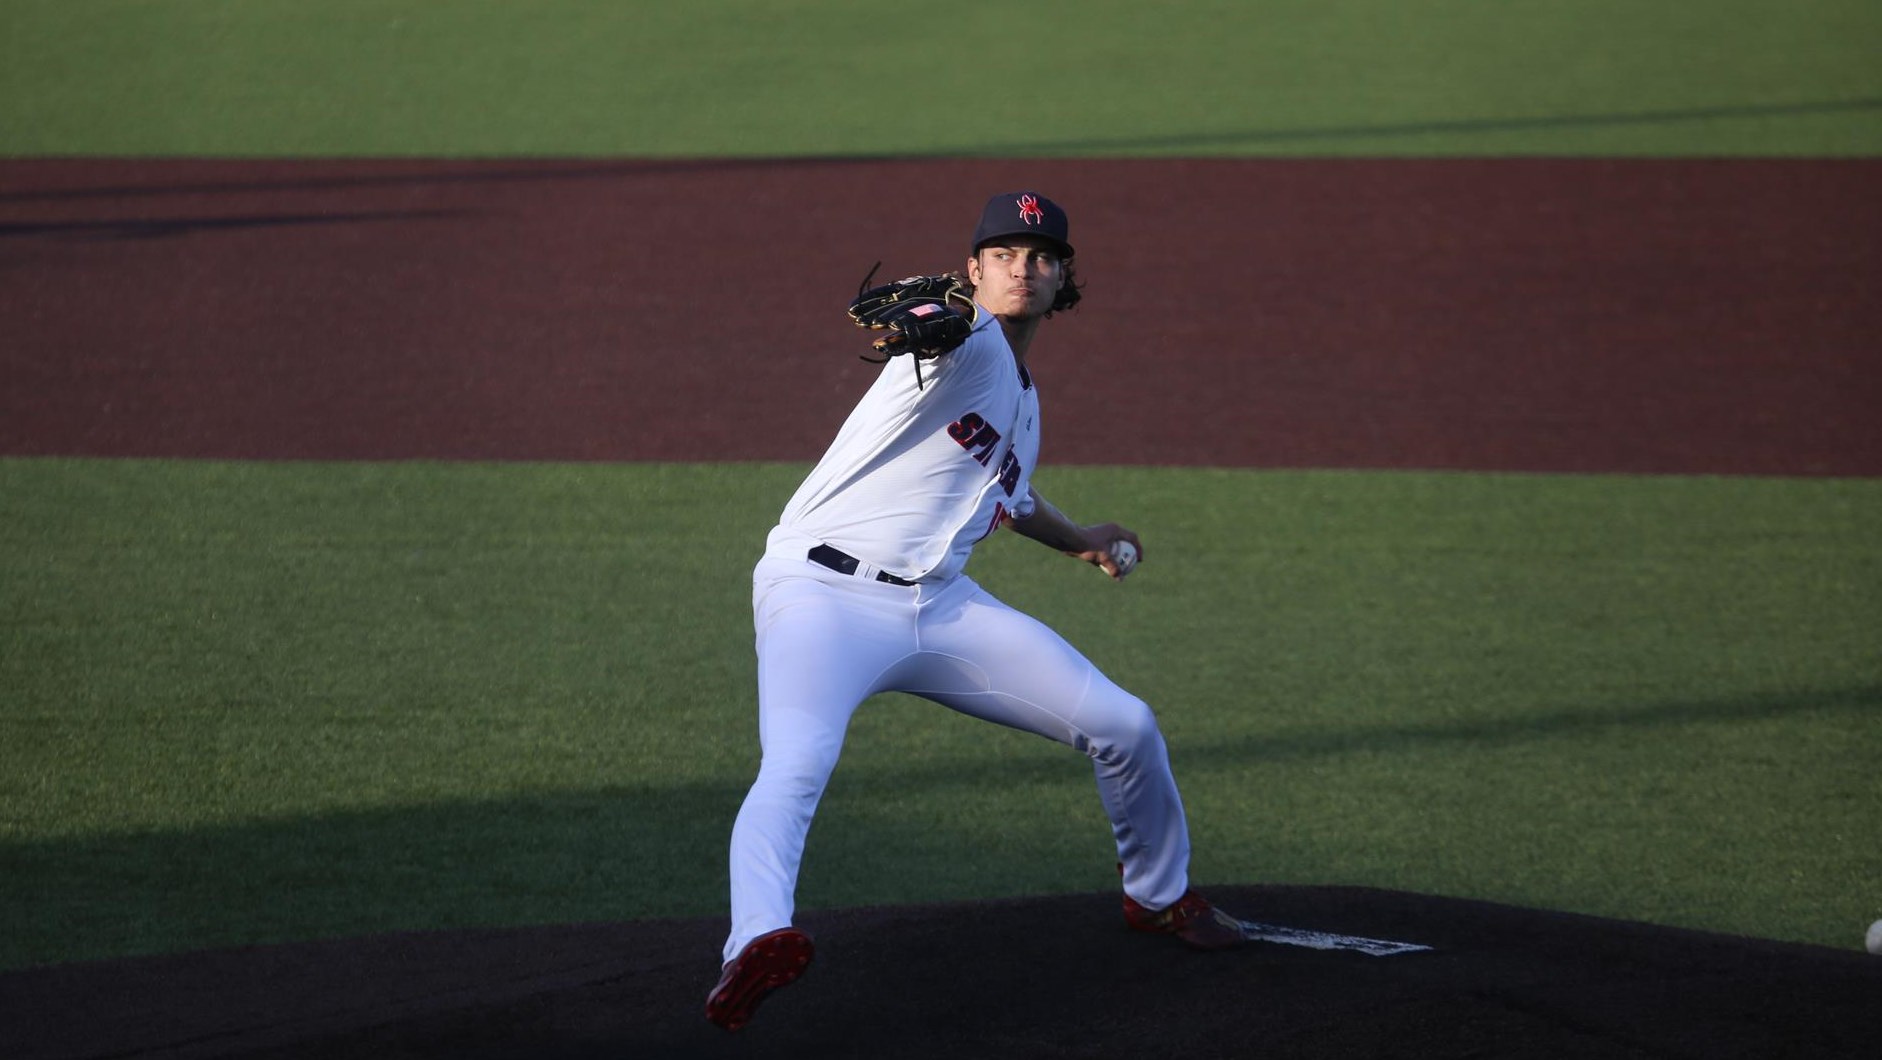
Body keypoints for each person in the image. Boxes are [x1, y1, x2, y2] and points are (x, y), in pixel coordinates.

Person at [705, 191, 1249, 1033]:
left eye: (1040, 256)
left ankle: (1160, 897)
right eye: (1003, 254)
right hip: (821, 596)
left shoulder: (1024, 407)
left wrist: (1084, 540)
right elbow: (937, 326)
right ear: (973, 271)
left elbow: (1014, 497)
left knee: (1126, 724)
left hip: (941, 608)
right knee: (798, 762)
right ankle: (755, 941)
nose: (1022, 268)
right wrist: (934, 320)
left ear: (1064, 275)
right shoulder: (967, 341)